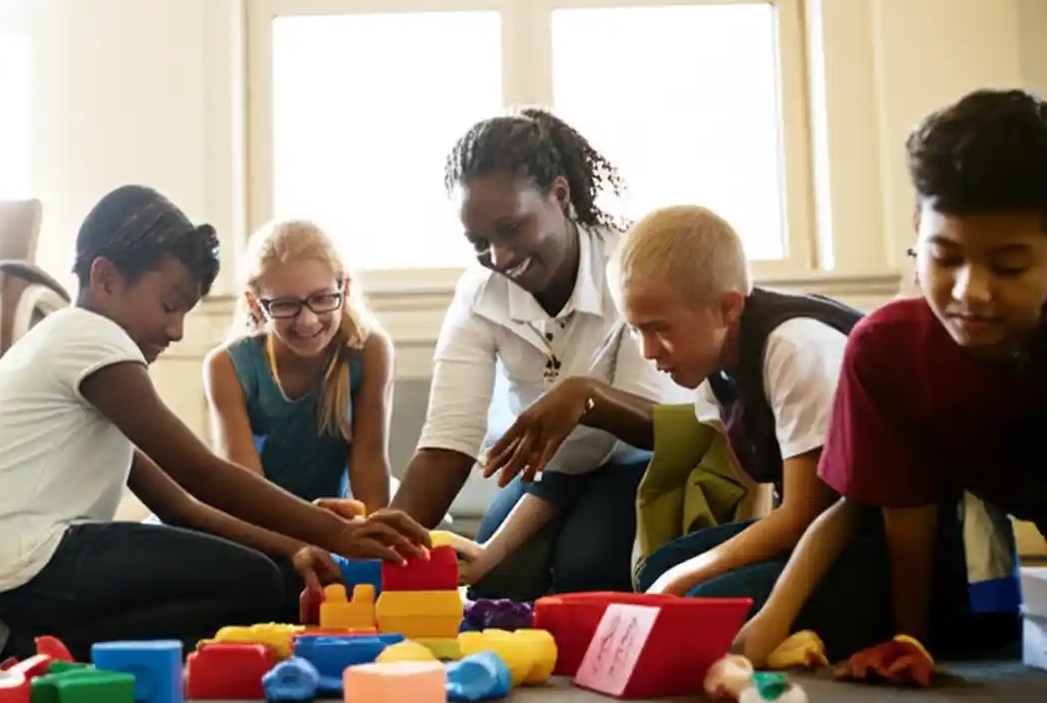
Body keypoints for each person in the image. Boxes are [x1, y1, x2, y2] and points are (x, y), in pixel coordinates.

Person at [0, 185, 429, 661]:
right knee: (260, 585)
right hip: (25, 566)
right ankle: (14, 638)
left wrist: (298, 544)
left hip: (10, 571)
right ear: (106, 279)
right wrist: (335, 535)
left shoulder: (75, 353)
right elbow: (199, 472)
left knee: (273, 576)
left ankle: (19, 638)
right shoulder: (90, 341)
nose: (176, 330)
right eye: (169, 306)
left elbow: (177, 504)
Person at [736, 88, 1047, 664]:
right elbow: (893, 507)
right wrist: (911, 641)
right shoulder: (890, 350)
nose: (970, 293)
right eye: (946, 257)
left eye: (1008, 266)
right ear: (916, 229)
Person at [482, 205, 860, 607]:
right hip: (814, 528)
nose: (646, 351)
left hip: (863, 535)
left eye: (659, 328)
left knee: (698, 595)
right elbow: (756, 493)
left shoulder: (792, 348)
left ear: (727, 307)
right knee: (663, 565)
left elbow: (806, 512)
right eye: (635, 329)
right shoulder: (718, 362)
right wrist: (684, 569)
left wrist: (689, 576)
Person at [388, 108, 682, 599]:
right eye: (478, 242)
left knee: (586, 569)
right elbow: (446, 443)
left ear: (560, 196)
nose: (499, 258)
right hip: (555, 472)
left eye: (512, 228)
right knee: (499, 583)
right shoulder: (478, 295)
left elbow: (656, 425)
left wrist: (584, 397)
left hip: (643, 457)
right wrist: (382, 548)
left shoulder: (629, 265)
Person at [205, 219, 392, 513]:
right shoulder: (226, 367)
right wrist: (307, 529)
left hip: (338, 516)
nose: (307, 320)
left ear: (344, 290)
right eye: (285, 305)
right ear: (256, 305)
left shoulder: (370, 351)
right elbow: (244, 491)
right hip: (260, 520)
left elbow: (369, 468)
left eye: (321, 298)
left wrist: (369, 532)